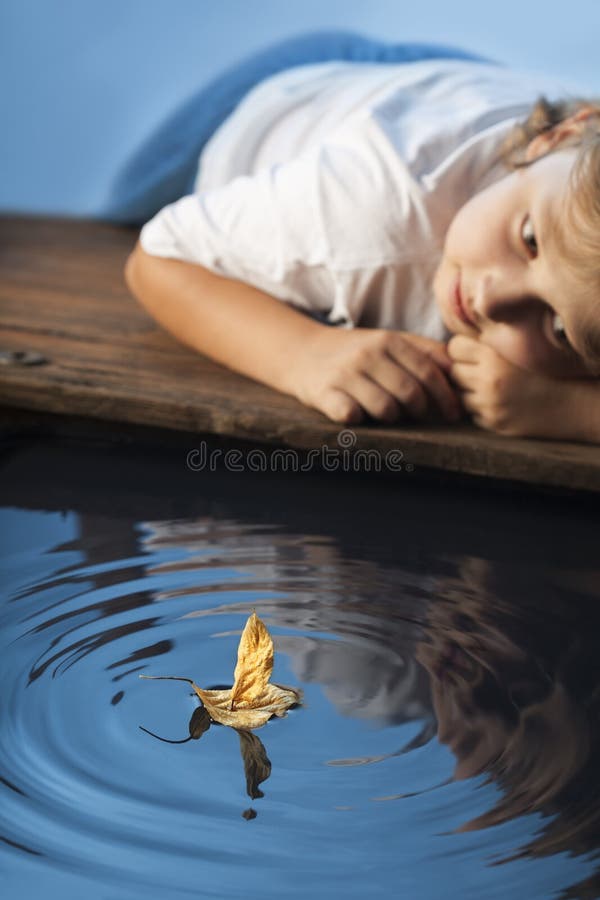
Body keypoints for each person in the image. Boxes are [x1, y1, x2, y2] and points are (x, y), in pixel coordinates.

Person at [122, 31, 600, 442]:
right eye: (530, 239)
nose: (493, 301)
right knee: (121, 211)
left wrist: (574, 411)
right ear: (556, 137)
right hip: (271, 101)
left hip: (447, 87)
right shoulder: (369, 219)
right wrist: (306, 353)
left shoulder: (566, 180)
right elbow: (159, 256)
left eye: (559, 329)